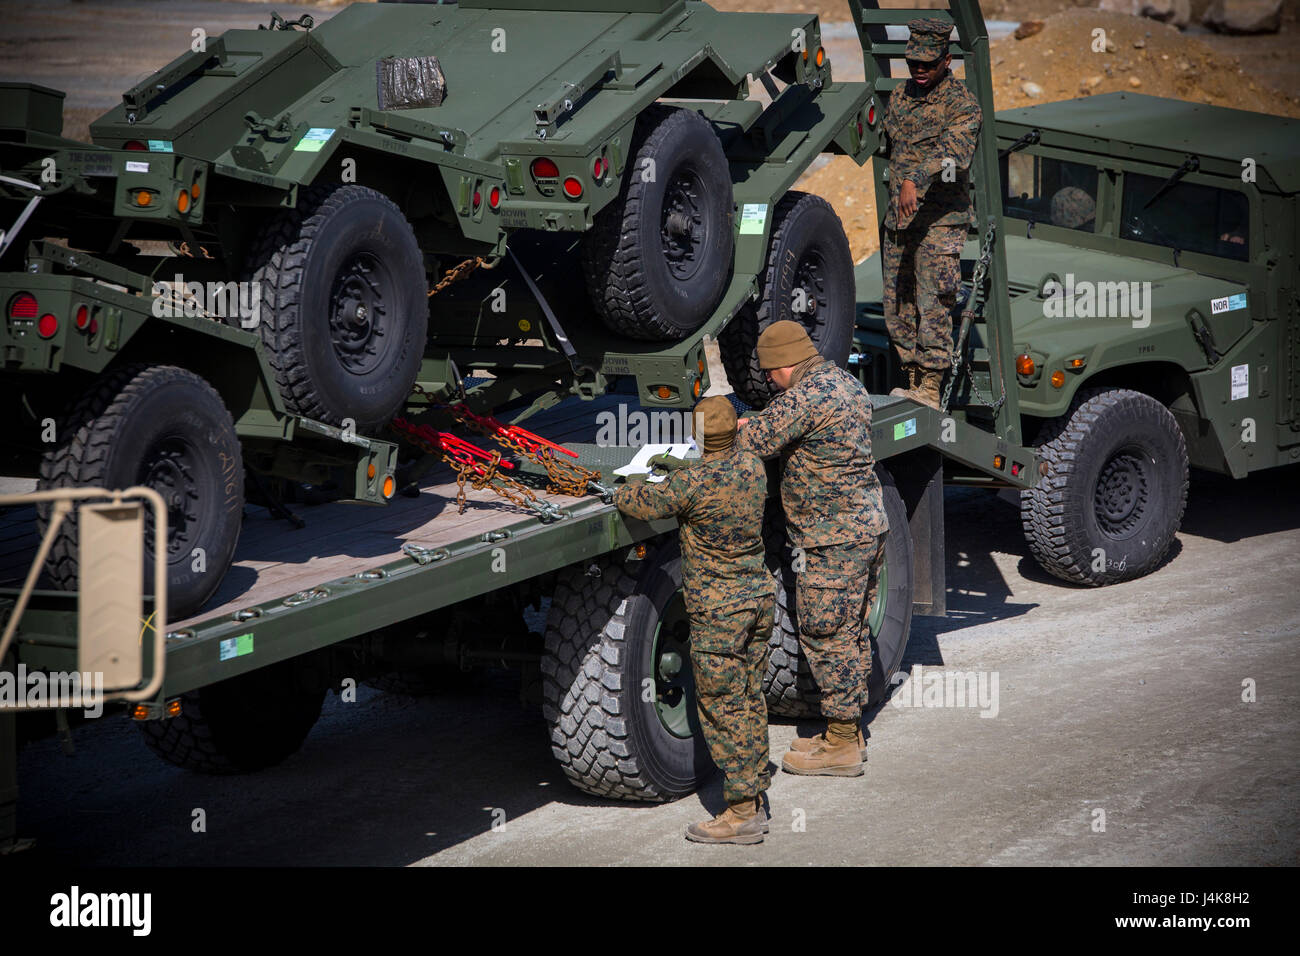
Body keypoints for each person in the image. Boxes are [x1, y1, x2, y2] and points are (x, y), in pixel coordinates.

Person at [613, 395, 775, 845]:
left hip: (720, 613)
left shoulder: (692, 485)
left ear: (698, 437)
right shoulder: (752, 468)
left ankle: (741, 812)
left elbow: (636, 500)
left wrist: (630, 481)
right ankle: (756, 783)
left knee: (722, 706)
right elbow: (715, 474)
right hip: (758, 600)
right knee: (749, 694)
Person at [737, 321, 887, 776]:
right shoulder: (844, 382)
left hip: (831, 539)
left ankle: (841, 746)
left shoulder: (805, 398)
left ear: (785, 363)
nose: (768, 381)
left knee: (827, 636)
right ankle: (848, 730)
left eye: (769, 373)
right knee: (853, 631)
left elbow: (751, 441)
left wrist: (737, 423)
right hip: (865, 528)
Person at [880, 17, 983, 410]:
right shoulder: (902, 96)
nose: (919, 71)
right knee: (898, 304)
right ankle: (910, 379)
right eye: (913, 64)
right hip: (901, 222)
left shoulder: (961, 105)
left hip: (940, 223)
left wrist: (916, 178)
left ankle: (930, 387)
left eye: (928, 64)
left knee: (933, 302)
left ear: (947, 60)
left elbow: (956, 159)